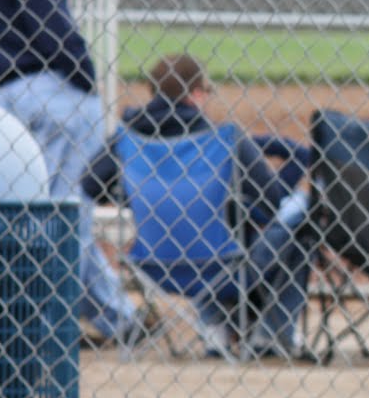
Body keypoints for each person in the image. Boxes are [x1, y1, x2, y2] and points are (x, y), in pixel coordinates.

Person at [0, 0, 152, 347]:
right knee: (64, 216)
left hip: (1, 104)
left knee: (16, 214)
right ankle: (90, 321)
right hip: (50, 92)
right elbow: (58, 35)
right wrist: (85, 81)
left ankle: (103, 318)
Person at [82, 54, 316, 360]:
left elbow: (90, 184)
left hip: (152, 265)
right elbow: (270, 203)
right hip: (224, 267)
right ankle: (269, 334)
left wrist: (133, 192)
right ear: (195, 95)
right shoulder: (223, 138)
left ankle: (216, 326)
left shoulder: (128, 139)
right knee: (300, 212)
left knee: (213, 217)